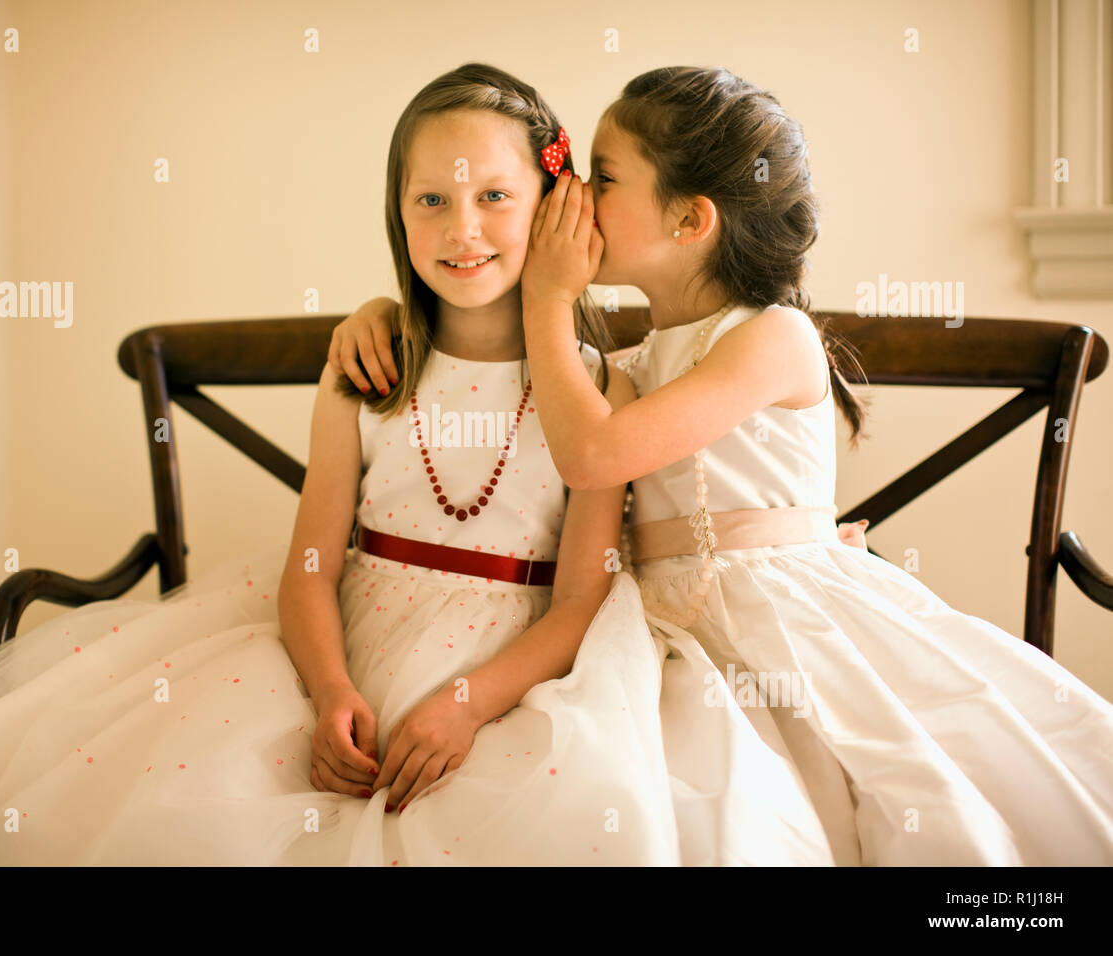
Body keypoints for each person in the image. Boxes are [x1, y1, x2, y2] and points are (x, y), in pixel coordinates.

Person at [0, 63, 684, 866]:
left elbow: (581, 598)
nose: (462, 227)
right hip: (341, 654)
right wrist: (328, 695)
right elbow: (310, 571)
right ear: (398, 214)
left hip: (512, 680)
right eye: (431, 198)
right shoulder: (365, 373)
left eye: (494, 196)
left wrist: (466, 705)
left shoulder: (596, 391)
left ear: (550, 206)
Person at [326, 66, 1113, 865]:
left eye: (602, 177)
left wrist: (546, 300)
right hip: (665, 636)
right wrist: (384, 311)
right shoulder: (626, 365)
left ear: (689, 219)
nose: (577, 197)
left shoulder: (774, 338)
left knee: (886, 797)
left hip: (779, 630)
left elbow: (592, 453)